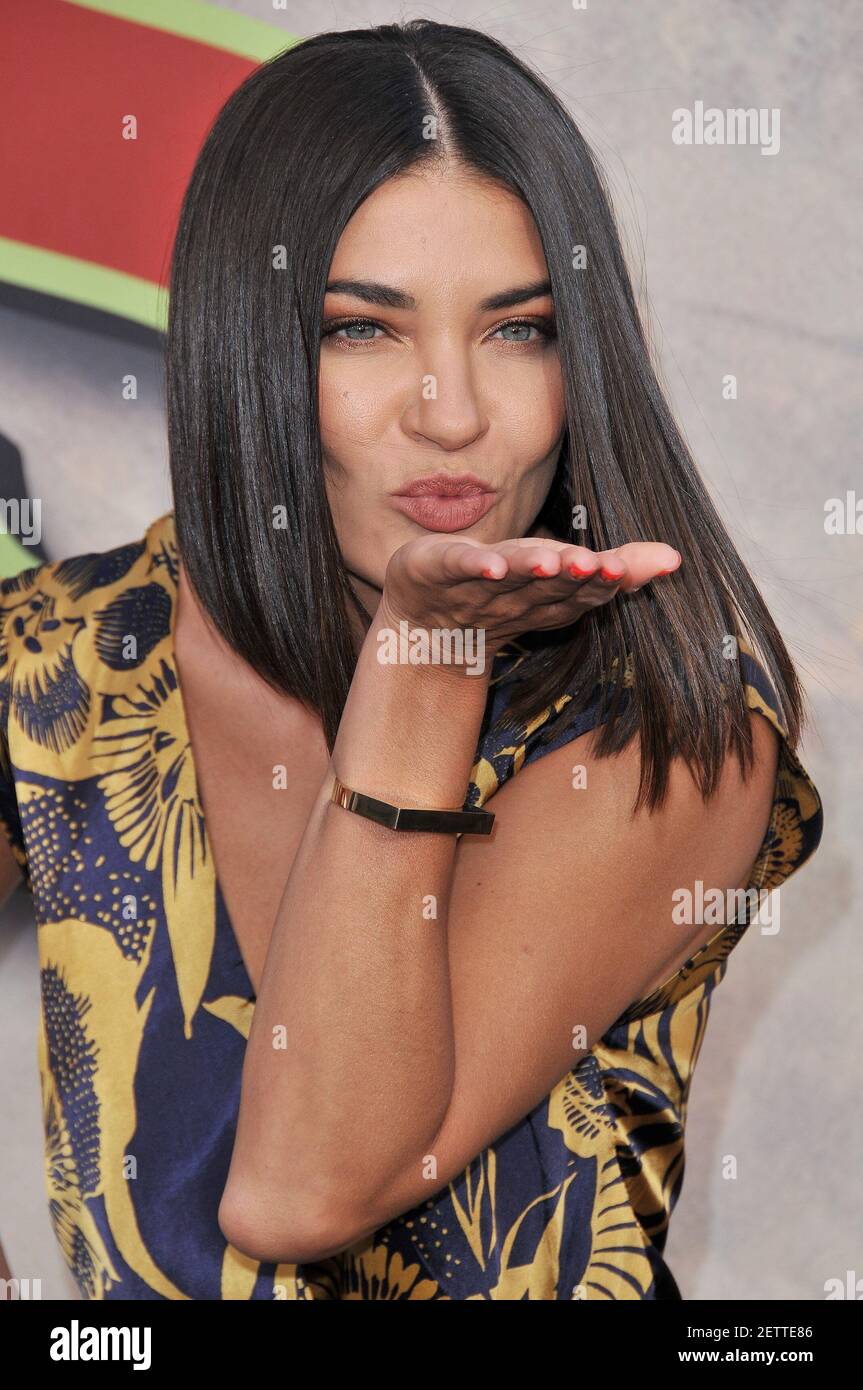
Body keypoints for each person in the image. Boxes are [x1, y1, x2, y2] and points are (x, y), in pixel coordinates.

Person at [0, 19, 823, 1301]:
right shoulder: (60, 655)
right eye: (361, 330)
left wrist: (426, 662)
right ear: (251, 346)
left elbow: (302, 1187)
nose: (452, 410)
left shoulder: (670, 719)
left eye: (518, 330)